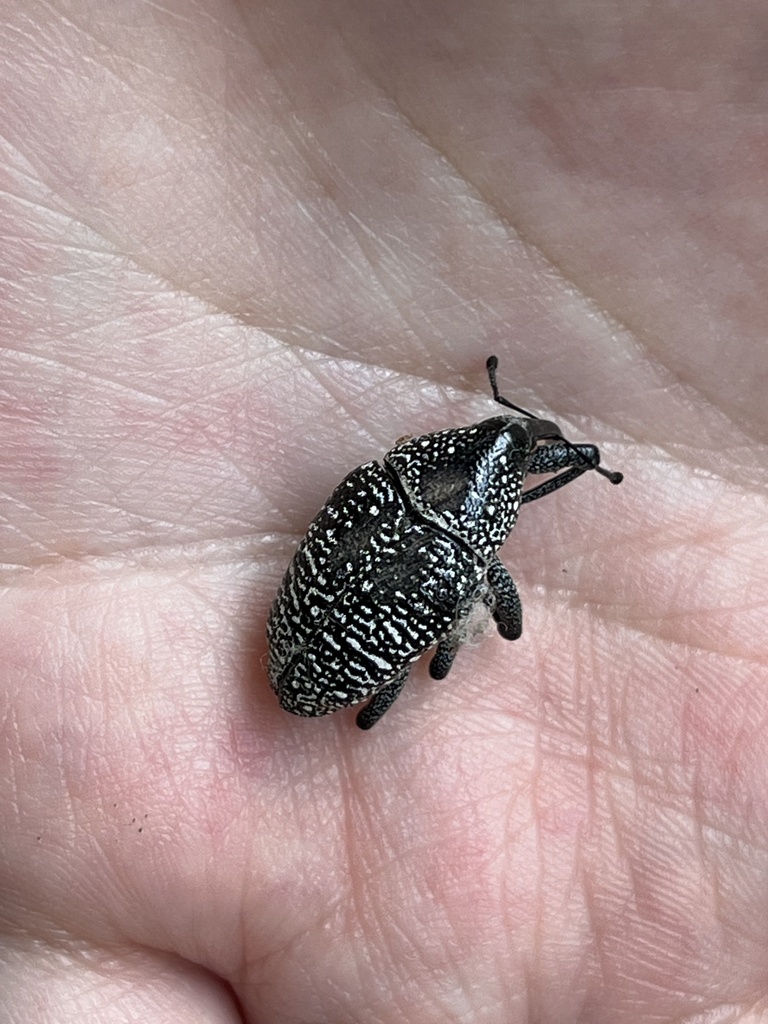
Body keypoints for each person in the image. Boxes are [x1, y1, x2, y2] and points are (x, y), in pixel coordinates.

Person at [1, 2, 766, 1021]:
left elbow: (444, 538)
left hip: (328, 631)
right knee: (445, 636)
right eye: (504, 443)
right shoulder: (451, 547)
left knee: (436, 634)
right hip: (330, 638)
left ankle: (376, 685)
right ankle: (378, 690)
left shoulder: (399, 497)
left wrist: (553, 458)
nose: (511, 450)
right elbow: (498, 602)